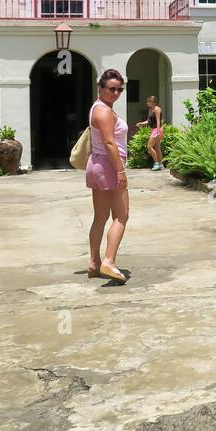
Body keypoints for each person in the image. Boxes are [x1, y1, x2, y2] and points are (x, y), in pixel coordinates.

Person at [86, 69, 129, 284]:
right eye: (111, 89)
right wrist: (120, 170)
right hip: (109, 165)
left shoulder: (100, 108)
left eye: (120, 89)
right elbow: (110, 142)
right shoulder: (103, 111)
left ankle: (94, 263)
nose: (116, 93)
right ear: (100, 88)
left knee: (100, 218)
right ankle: (109, 261)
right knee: (121, 216)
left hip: (99, 164)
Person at [145, 95, 165, 171]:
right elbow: (148, 121)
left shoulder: (157, 109)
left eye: (148, 101)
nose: (147, 103)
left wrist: (159, 131)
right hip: (153, 129)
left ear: (152, 102)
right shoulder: (150, 110)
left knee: (149, 146)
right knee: (157, 148)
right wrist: (141, 123)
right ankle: (161, 164)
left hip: (157, 130)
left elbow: (158, 121)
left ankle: (156, 163)